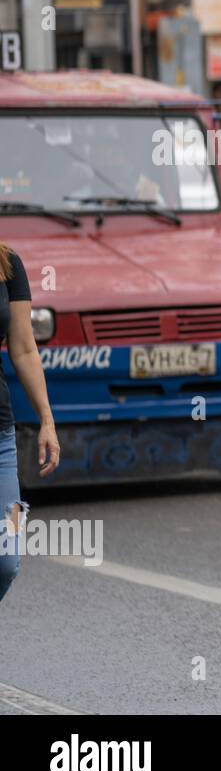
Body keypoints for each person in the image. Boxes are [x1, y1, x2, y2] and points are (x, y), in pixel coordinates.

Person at [0, 243, 61, 603]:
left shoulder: (8, 264)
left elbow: (23, 348)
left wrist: (47, 420)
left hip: (0, 434)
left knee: (6, 559)